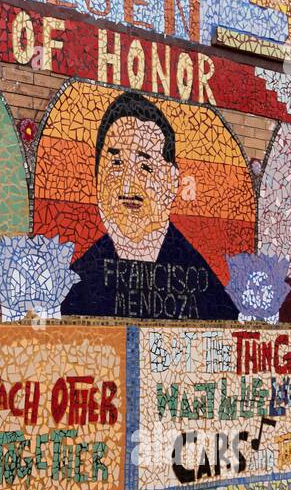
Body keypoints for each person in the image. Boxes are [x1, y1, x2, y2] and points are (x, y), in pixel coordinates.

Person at [60, 91, 237, 319]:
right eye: (115, 164)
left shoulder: (205, 286)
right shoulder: (75, 284)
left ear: (171, 180)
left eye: (145, 167)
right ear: (97, 178)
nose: (127, 186)